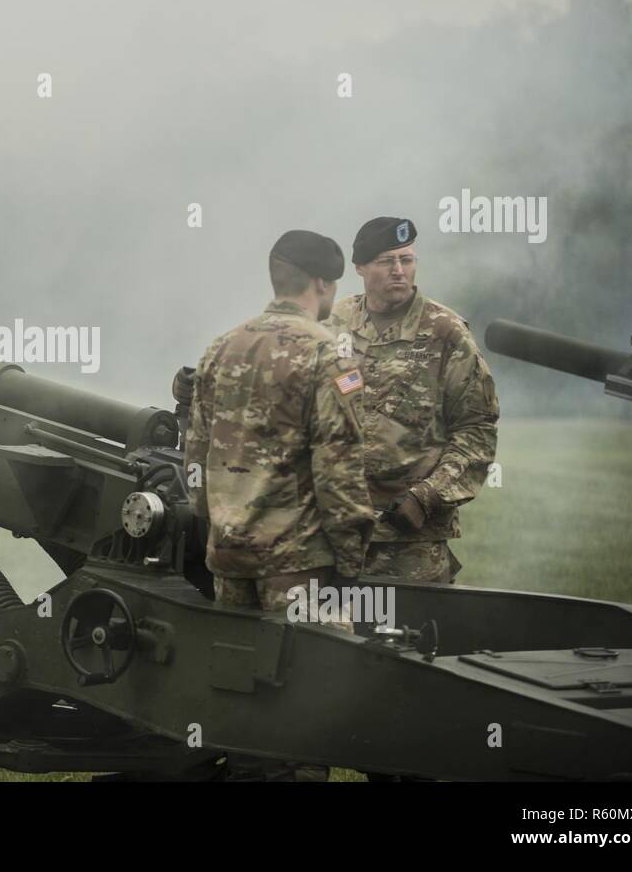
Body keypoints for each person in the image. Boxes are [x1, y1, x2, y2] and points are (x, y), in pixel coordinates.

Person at [185, 230, 374, 614]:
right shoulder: (328, 355)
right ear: (322, 282)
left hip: (229, 556)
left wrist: (215, 524)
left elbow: (196, 453)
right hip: (298, 565)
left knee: (233, 669)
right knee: (309, 672)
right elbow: (338, 470)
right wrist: (351, 560)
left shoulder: (222, 347)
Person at [324, 216, 499, 582]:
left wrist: (427, 497)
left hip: (409, 544)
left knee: (414, 637)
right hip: (333, 531)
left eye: (407, 259)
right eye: (387, 261)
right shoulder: (334, 322)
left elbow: (476, 431)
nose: (399, 271)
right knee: (326, 635)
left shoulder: (445, 332)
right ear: (360, 267)